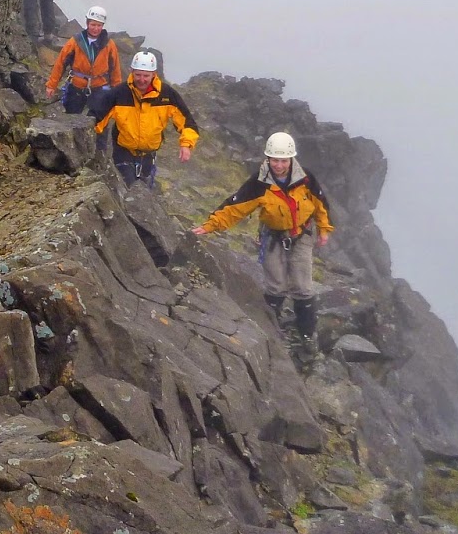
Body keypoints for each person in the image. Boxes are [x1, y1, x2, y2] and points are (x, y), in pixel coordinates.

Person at [191, 131, 333, 356]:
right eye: (274, 159)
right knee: (275, 286)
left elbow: (320, 203)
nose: (278, 165)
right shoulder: (259, 182)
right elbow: (235, 208)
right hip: (273, 237)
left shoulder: (306, 178)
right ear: (268, 158)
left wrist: (324, 229)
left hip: (302, 236)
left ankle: (306, 336)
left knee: (303, 287)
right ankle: (272, 331)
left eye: (283, 160)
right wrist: (210, 226)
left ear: (291, 159)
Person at [90, 50, 198, 185]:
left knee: (144, 193)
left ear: (154, 74)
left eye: (146, 76)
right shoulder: (119, 94)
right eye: (138, 75)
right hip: (123, 151)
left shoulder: (167, 95)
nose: (142, 80)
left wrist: (186, 145)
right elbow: (96, 119)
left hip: (149, 155)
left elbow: (188, 123)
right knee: (128, 189)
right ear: (131, 72)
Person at [45, 5, 121, 114]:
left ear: (103, 26)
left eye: (99, 25)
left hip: (99, 86)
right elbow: (61, 63)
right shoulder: (76, 41)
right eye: (93, 25)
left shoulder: (109, 44)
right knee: (71, 117)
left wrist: (116, 91)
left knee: (98, 119)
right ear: (87, 23)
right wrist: (51, 85)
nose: (95, 28)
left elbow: (115, 69)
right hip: (77, 86)